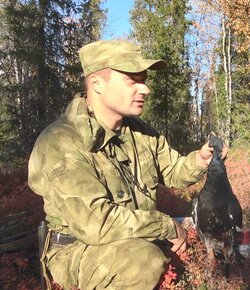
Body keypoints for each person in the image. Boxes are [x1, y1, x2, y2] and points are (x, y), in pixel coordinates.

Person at [28, 40, 225, 289]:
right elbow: (95, 223)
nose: (145, 89)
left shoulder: (139, 132)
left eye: (144, 79)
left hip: (134, 237)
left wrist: (200, 159)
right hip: (79, 249)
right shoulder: (60, 142)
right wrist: (166, 226)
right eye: (132, 80)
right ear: (96, 83)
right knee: (144, 261)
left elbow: (173, 170)